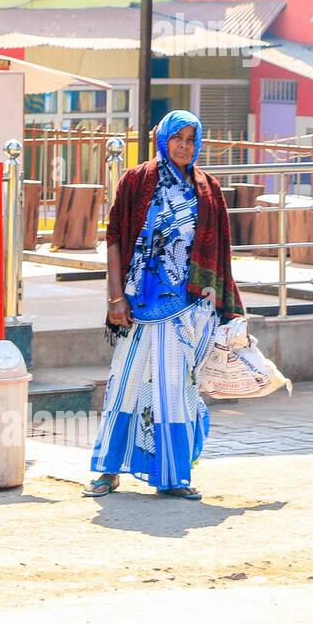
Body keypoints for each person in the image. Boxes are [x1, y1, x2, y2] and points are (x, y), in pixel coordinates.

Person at [85, 110, 246, 501]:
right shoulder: (138, 181)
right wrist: (115, 297)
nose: (185, 147)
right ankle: (108, 471)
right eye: (178, 138)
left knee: (175, 389)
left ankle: (173, 476)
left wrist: (223, 307)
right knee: (125, 386)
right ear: (163, 139)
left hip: (187, 310)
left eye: (192, 140)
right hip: (139, 306)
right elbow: (115, 238)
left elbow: (219, 253)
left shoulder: (207, 189)